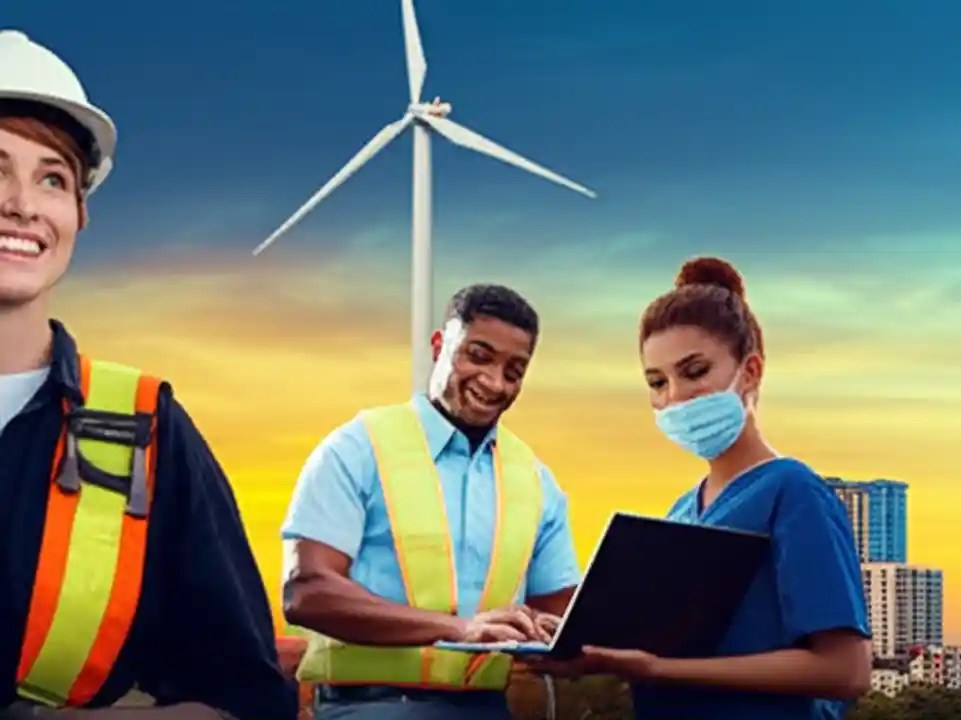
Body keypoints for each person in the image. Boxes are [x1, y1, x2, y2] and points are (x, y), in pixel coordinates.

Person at [0, 29, 299, 720]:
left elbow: (243, 696)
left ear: (79, 212)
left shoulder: (145, 430)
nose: (22, 203)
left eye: (52, 177)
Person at [535, 256, 874, 719]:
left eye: (694, 372)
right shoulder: (680, 513)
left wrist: (660, 669)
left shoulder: (793, 492)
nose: (674, 397)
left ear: (750, 372)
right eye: (657, 382)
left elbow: (846, 670)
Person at [280, 283, 582, 720]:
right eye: (477, 356)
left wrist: (565, 638)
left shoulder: (538, 482)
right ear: (439, 346)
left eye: (514, 370)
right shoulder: (357, 448)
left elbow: (559, 611)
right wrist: (460, 629)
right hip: (369, 708)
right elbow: (306, 591)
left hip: (488, 709)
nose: (494, 382)